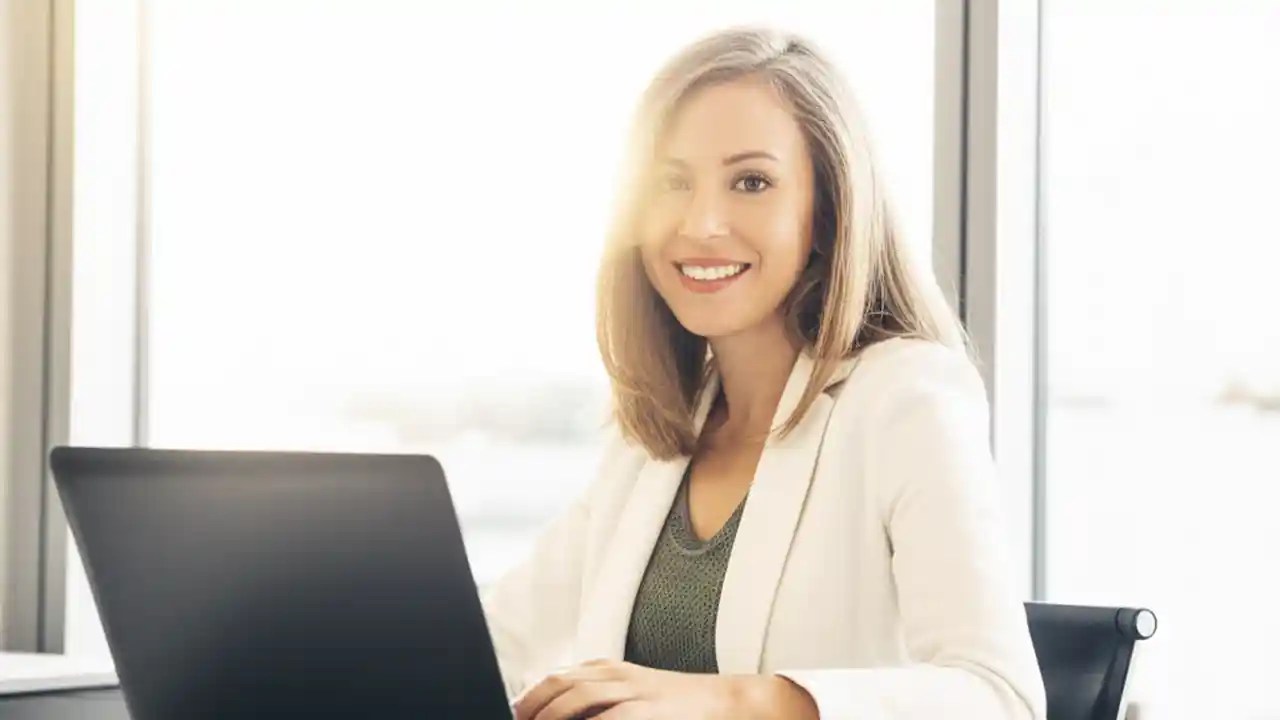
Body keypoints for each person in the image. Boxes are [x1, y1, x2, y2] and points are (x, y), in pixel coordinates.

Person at [484, 26, 1047, 720]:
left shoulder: (905, 398)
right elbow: (492, 644)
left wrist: (738, 701)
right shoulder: (658, 431)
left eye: (751, 182)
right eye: (672, 182)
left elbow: (998, 697)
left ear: (826, 212)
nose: (703, 223)